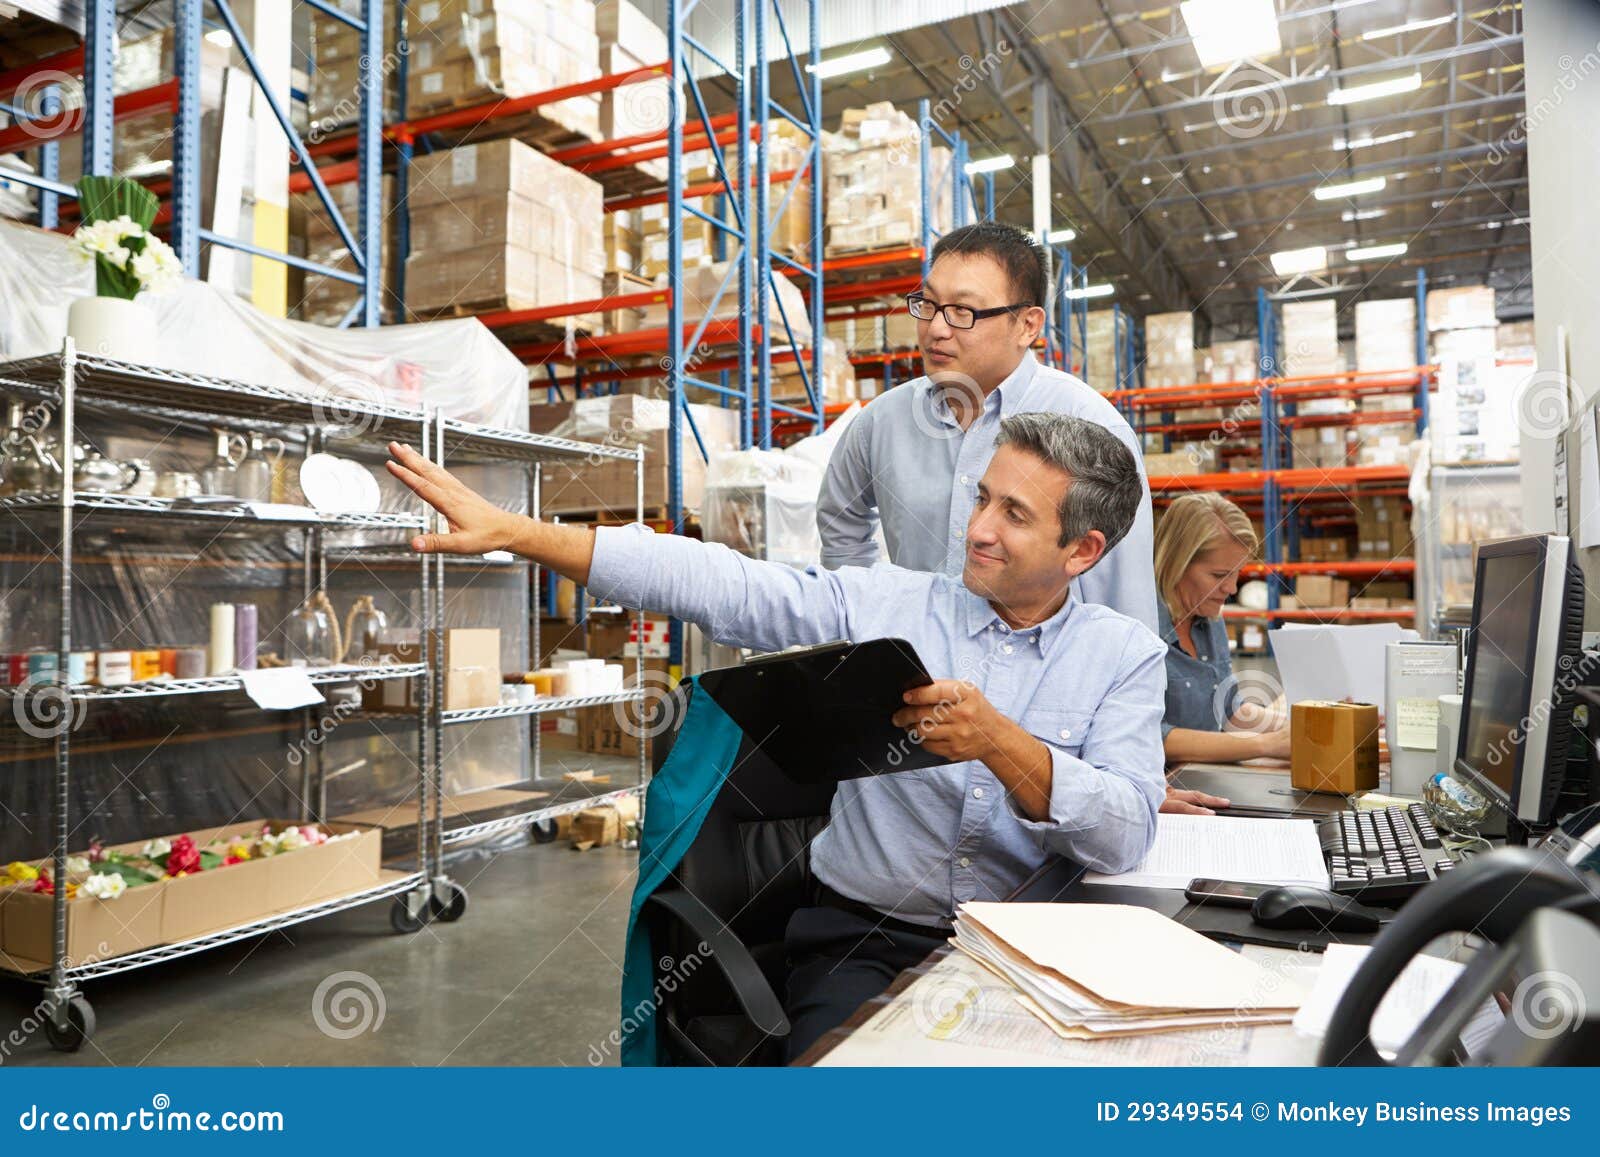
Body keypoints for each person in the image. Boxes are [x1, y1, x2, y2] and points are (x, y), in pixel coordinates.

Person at [384, 412, 1165, 1060]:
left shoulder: (1123, 658)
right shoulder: (888, 604)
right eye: (984, 498)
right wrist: (522, 532)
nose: (979, 529)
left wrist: (1000, 741)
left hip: (1034, 958)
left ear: (1082, 550)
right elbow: (723, 582)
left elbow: (1126, 832)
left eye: (1015, 514)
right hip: (864, 942)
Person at [816, 221, 1156, 631]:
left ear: (1027, 325)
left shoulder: (1091, 425)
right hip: (915, 674)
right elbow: (840, 521)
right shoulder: (881, 422)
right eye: (927, 304)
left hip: (1041, 682)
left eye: (963, 312)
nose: (936, 329)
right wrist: (869, 616)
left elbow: (1123, 598)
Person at [1154, 493, 1291, 790]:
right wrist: (1267, 745)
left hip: (1207, 778)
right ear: (1177, 563)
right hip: (1162, 792)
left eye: (1236, 573)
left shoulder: (1209, 619)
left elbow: (1231, 710)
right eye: (1218, 575)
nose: (1230, 588)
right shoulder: (1140, 626)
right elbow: (1154, 735)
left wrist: (1308, 723)